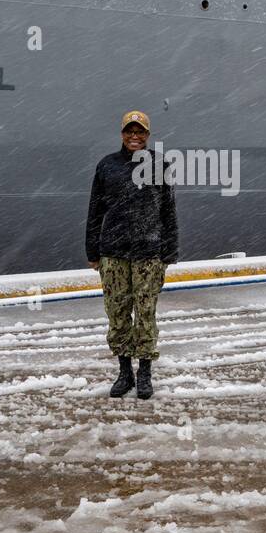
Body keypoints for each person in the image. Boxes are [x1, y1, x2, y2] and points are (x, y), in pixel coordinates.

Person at [86, 110, 178, 400]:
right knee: (117, 312)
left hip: (148, 253)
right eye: (130, 131)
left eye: (140, 131)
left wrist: (169, 252)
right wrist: (92, 251)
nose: (135, 136)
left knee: (146, 313)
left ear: (148, 135)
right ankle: (124, 372)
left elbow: (168, 211)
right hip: (113, 252)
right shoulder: (107, 166)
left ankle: (145, 372)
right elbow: (95, 211)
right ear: (122, 133)